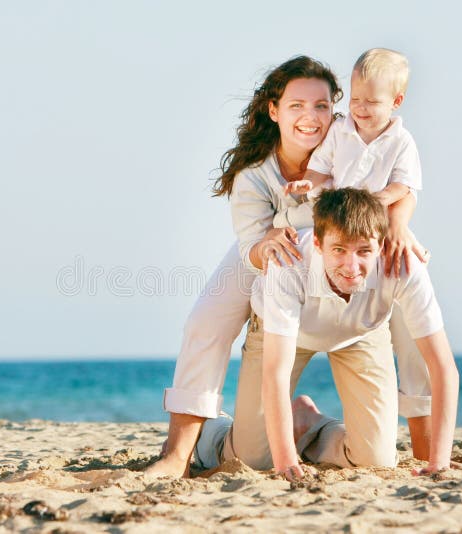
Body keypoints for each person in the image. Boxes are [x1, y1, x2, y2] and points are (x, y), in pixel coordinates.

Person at [147, 56, 428, 478]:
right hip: (272, 255)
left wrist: (401, 224)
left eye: (321, 106)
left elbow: (401, 184)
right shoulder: (256, 176)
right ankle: (179, 451)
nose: (311, 118)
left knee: (406, 307)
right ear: (274, 110)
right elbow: (250, 248)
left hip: (339, 257)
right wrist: (266, 245)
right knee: (205, 323)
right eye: (296, 105)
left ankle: (423, 448)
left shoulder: (350, 137)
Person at [193, 188, 459, 480]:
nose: (351, 266)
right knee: (255, 459)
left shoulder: (404, 266)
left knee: (375, 460)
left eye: (364, 251)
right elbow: (275, 373)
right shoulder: (289, 263)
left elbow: (443, 367)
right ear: (318, 244)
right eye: (339, 250)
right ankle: (210, 429)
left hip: (360, 333)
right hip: (282, 333)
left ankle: (308, 423)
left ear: (381, 246)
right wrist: (285, 464)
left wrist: (440, 462)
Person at [284, 48, 421, 214]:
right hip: (333, 214)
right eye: (355, 98)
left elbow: (403, 183)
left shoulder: (401, 141)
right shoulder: (339, 130)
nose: (360, 107)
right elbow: (320, 167)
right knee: (288, 224)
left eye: (372, 101)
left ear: (396, 101)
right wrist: (308, 183)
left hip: (370, 219)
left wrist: (380, 198)